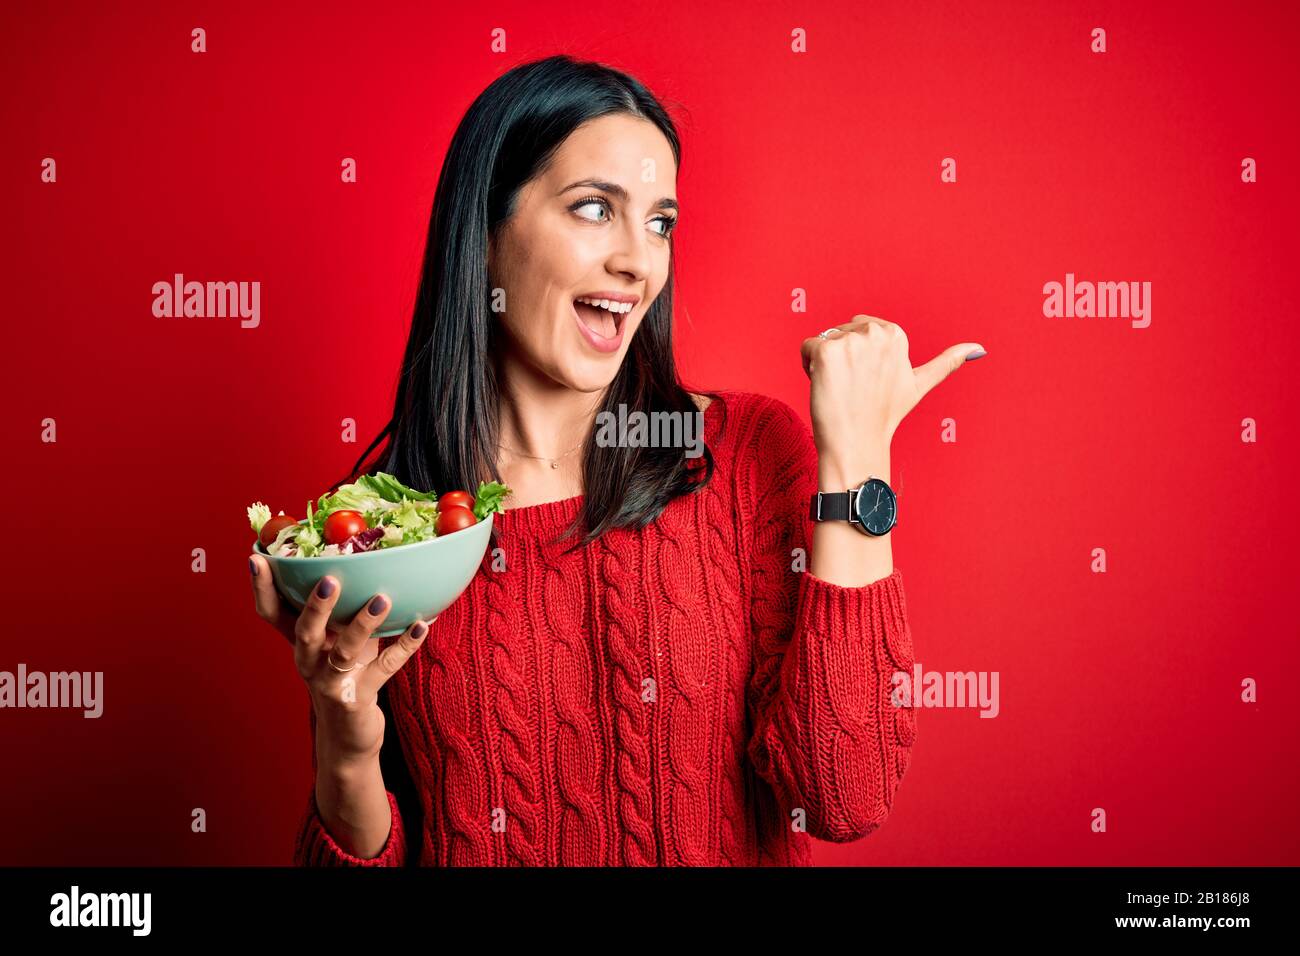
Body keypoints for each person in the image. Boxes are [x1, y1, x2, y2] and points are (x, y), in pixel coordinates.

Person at [248, 54, 986, 866]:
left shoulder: (741, 458)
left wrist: (857, 462)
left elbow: (841, 795)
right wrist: (343, 737)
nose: (640, 261)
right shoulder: (387, 537)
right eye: (595, 209)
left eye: (660, 221)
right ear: (486, 235)